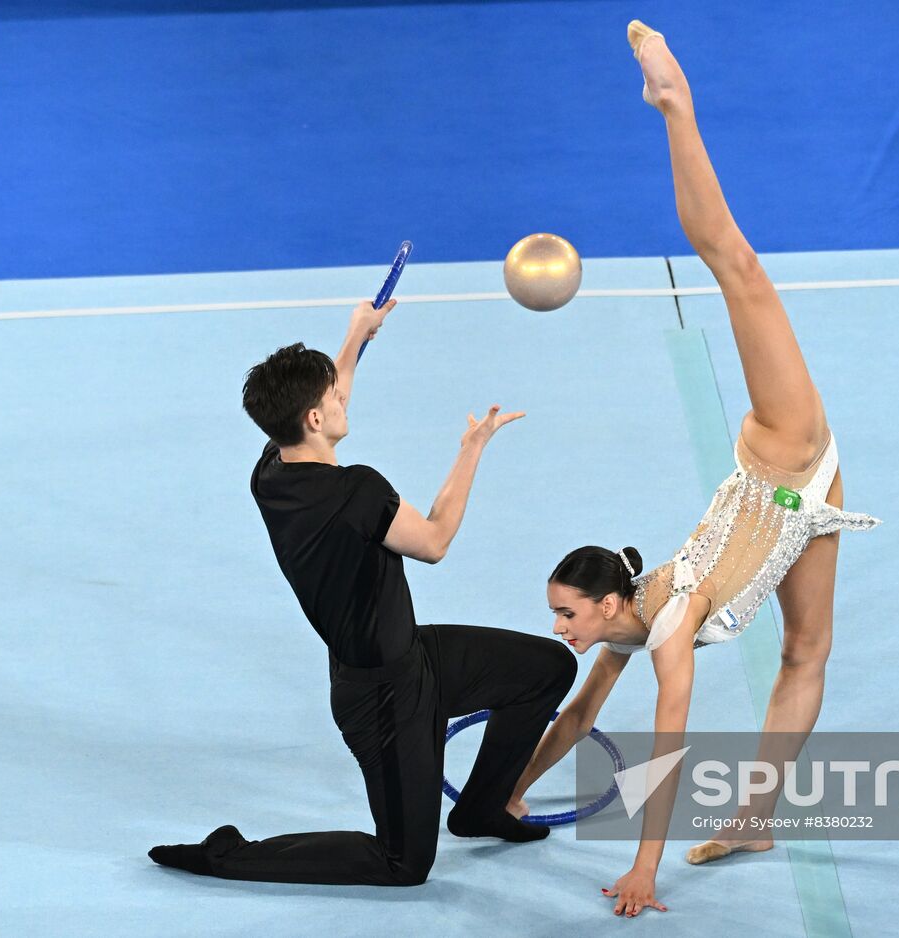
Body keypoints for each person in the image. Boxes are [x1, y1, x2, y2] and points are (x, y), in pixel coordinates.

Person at [507, 22, 881, 917]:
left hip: (781, 446)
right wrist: (511, 792)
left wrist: (644, 872)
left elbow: (666, 750)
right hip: (802, 506)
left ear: (607, 604)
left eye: (566, 614)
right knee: (804, 649)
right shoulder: (621, 628)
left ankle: (675, 104)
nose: (559, 627)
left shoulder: (663, 628)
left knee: (735, 266)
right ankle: (758, 818)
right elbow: (578, 724)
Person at [148, 298, 578, 886]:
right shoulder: (357, 491)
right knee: (404, 864)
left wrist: (355, 337)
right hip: (379, 699)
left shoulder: (271, 471)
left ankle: (482, 807)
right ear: (315, 419)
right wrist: (472, 447)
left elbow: (329, 397)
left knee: (548, 667)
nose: (341, 397)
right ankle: (224, 855)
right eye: (333, 398)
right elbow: (433, 541)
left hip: (415, 659)